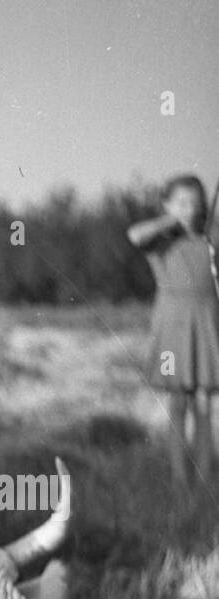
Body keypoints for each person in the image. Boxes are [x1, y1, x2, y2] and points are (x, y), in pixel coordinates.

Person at [128, 175, 219, 484]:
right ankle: (181, 482)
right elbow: (135, 235)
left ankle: (205, 481)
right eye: (182, 202)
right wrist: (171, 220)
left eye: (195, 202)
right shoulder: (161, 241)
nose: (190, 209)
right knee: (177, 403)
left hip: (207, 326)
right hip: (171, 330)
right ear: (167, 205)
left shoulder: (211, 238)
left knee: (204, 404)